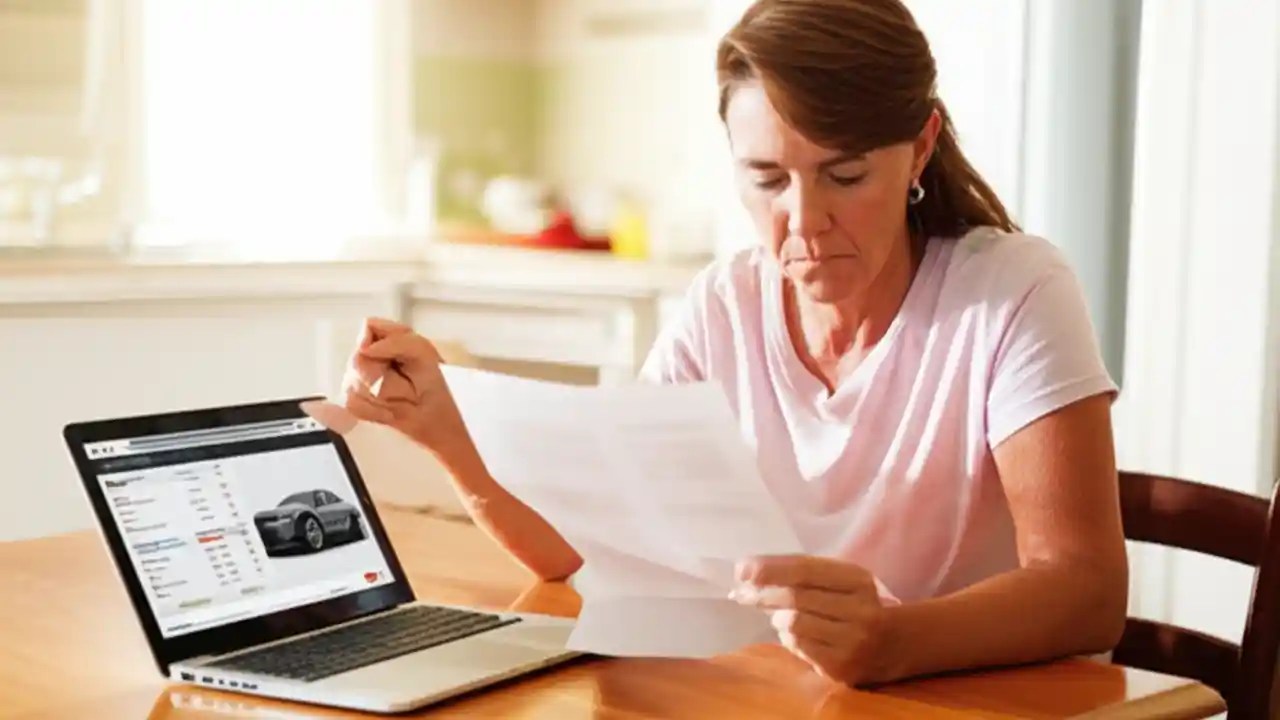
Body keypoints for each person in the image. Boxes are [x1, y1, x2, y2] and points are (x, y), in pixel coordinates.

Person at [306, 0, 1127, 688]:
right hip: (781, 698)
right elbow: (583, 551)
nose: (803, 223)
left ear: (918, 148)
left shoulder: (1013, 292)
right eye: (767, 180)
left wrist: (894, 640)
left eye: (844, 176)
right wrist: (448, 430)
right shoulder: (723, 305)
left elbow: (1086, 590)